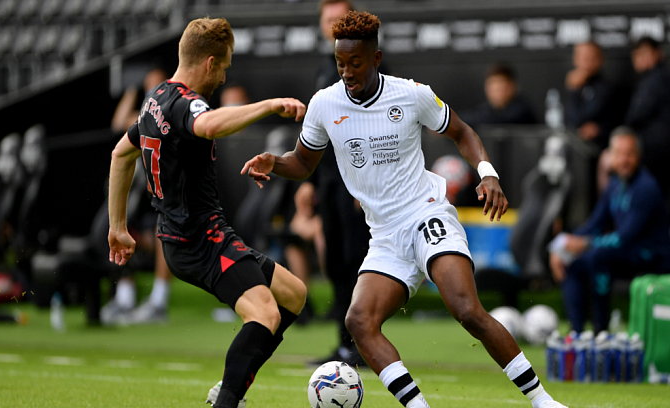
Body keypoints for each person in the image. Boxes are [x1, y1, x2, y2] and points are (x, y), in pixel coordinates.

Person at [242, 11, 567, 408]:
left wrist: (488, 173)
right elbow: (303, 162)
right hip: (385, 235)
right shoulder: (324, 103)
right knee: (358, 321)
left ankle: (542, 400)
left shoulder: (411, 94)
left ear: (376, 59)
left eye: (355, 62)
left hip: (426, 215)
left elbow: (462, 131)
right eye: (340, 62)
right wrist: (274, 162)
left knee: (466, 309)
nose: (346, 72)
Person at [107, 17, 307, 408]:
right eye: (224, 67)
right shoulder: (186, 102)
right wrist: (269, 105)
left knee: (293, 295)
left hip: (188, 237)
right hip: (200, 240)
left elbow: (120, 154)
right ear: (210, 62)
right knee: (265, 314)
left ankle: (231, 385)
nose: (224, 77)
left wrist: (118, 227)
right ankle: (228, 399)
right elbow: (209, 124)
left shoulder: (155, 98)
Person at [549, 127, 670, 334]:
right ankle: (577, 335)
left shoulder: (646, 187)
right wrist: (560, 246)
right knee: (572, 264)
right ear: (610, 156)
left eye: (629, 154)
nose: (624, 160)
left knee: (599, 256)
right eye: (619, 154)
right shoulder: (614, 184)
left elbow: (625, 237)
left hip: (652, 256)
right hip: (625, 253)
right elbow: (595, 223)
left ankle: (601, 332)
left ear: (638, 156)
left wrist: (583, 244)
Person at [306, 0, 370, 366]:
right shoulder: (323, 67)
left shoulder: (369, 64)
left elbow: (374, 125)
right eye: (328, 18)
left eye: (339, 18)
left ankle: (363, 344)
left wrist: (364, 180)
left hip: (355, 185)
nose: (332, 24)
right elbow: (317, 131)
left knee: (357, 262)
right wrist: (309, 183)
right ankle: (345, 345)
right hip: (328, 181)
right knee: (335, 264)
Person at [105, 67, 173, 325]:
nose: (152, 91)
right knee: (119, 228)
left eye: (156, 85)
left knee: (163, 230)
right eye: (148, 86)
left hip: (170, 192)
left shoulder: (172, 109)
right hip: (145, 192)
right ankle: (125, 298)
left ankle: (159, 301)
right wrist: (133, 89)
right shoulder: (145, 113)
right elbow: (118, 122)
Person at [624, 36, 670, 199]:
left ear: (658, 54)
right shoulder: (650, 79)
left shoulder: (656, 79)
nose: (639, 58)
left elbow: (635, 115)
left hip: (656, 152)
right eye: (636, 54)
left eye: (644, 53)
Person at [564, 41, 618, 151]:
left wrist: (575, 89)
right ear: (575, 59)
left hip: (599, 149)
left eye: (591, 58)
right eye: (584, 58)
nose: (587, 63)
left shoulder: (605, 88)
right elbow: (569, 119)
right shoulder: (575, 86)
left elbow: (581, 117)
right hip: (574, 148)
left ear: (600, 59)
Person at [458, 63, 537, 128]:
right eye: (493, 89)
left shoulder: (521, 110)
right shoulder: (488, 109)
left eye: (500, 89)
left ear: (513, 87)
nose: (496, 94)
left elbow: (498, 121)